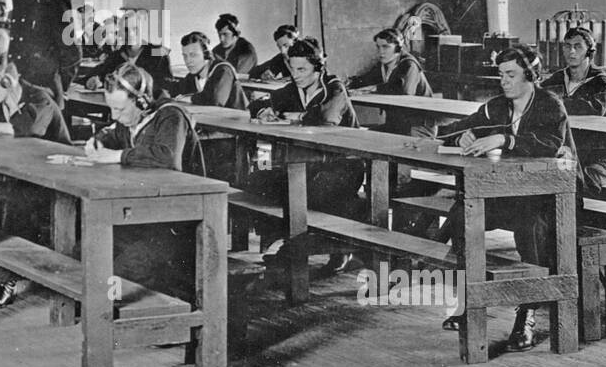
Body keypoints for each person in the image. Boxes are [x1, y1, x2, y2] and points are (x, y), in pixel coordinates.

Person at [436, 45, 575, 351]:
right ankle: (468, 303)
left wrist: (505, 138)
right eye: (501, 74)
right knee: (461, 216)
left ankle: (526, 314)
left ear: (530, 75)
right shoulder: (497, 106)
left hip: (550, 197)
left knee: (530, 227)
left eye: (511, 74)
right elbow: (449, 129)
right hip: (509, 194)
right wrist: (461, 136)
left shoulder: (550, 105)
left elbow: (550, 144)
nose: (504, 81)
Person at [0, 53, 72, 308]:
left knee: (17, 201)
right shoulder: (3, 101)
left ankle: (8, 279)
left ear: (7, 81)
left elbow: (28, 129)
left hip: (57, 179)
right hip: (24, 172)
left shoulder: (40, 98)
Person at [83, 64, 206, 300]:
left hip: (178, 223)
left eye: (119, 109)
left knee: (120, 268)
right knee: (88, 248)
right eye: (111, 109)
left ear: (141, 102)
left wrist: (117, 156)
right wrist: (97, 140)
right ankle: (104, 305)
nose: (115, 116)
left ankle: (111, 310)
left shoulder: (171, 116)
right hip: (146, 217)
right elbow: (112, 131)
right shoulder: (131, 119)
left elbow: (167, 157)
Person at [246, 37, 366, 266]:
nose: (296, 74)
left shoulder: (334, 88)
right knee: (260, 178)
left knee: (302, 191)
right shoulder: (293, 89)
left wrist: (294, 116)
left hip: (342, 166)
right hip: (306, 163)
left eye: (302, 69)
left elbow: (325, 119)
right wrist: (265, 111)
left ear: (318, 68)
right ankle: (291, 244)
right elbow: (256, 104)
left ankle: (313, 248)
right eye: (292, 68)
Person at [539, 26, 606, 197]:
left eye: (577, 46)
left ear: (590, 51)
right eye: (567, 46)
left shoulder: (602, 83)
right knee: (542, 179)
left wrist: (555, 104)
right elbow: (538, 102)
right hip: (567, 154)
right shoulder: (556, 80)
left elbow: (592, 109)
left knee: (579, 183)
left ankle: (577, 223)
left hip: (601, 158)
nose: (571, 51)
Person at [347, 27, 435, 137]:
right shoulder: (384, 65)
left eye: (386, 47)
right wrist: (349, 83)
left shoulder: (409, 64)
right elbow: (365, 80)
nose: (381, 52)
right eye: (378, 47)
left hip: (419, 125)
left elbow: (404, 91)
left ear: (398, 48)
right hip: (398, 123)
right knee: (367, 137)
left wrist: (374, 88)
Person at [85, 11, 172, 96]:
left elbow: (167, 85)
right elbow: (98, 75)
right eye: (126, 30)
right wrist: (91, 81)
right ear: (120, 33)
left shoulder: (157, 54)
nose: (130, 34)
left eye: (135, 29)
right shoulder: (116, 56)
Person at [172, 31, 246, 110]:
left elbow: (216, 101)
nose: (188, 61)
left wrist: (190, 98)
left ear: (206, 54)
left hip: (237, 120)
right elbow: (177, 90)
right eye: (185, 56)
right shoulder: (193, 75)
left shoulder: (223, 70)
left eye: (193, 55)